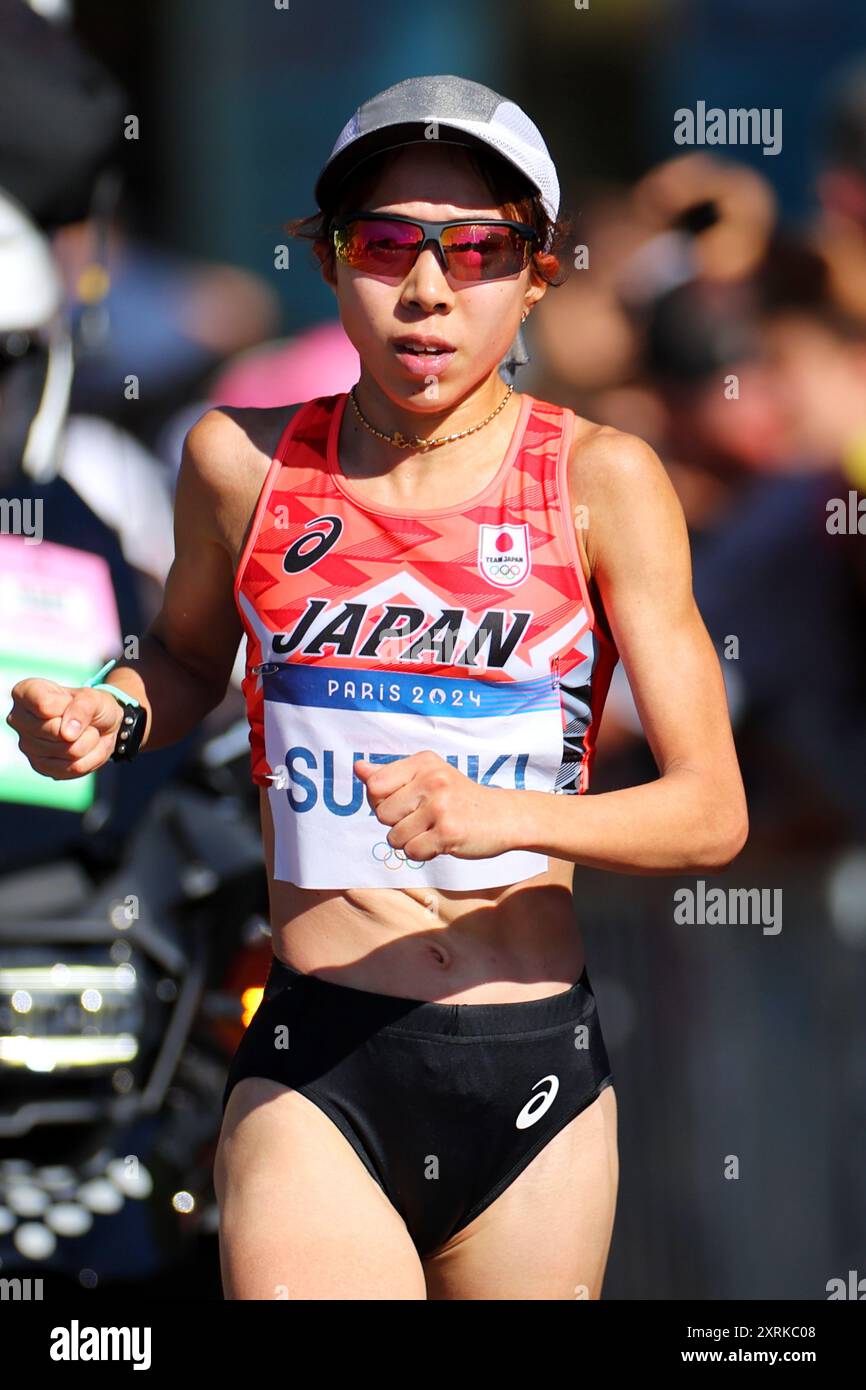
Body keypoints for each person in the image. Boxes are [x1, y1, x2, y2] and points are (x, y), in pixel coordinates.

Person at [6, 74, 748, 1300]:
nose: (426, 290)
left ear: (539, 276)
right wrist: (116, 708)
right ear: (328, 260)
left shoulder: (602, 481)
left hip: (530, 1070)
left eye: (477, 252)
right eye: (386, 243)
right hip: (316, 1056)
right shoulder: (238, 462)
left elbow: (708, 810)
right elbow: (188, 657)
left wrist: (503, 815)